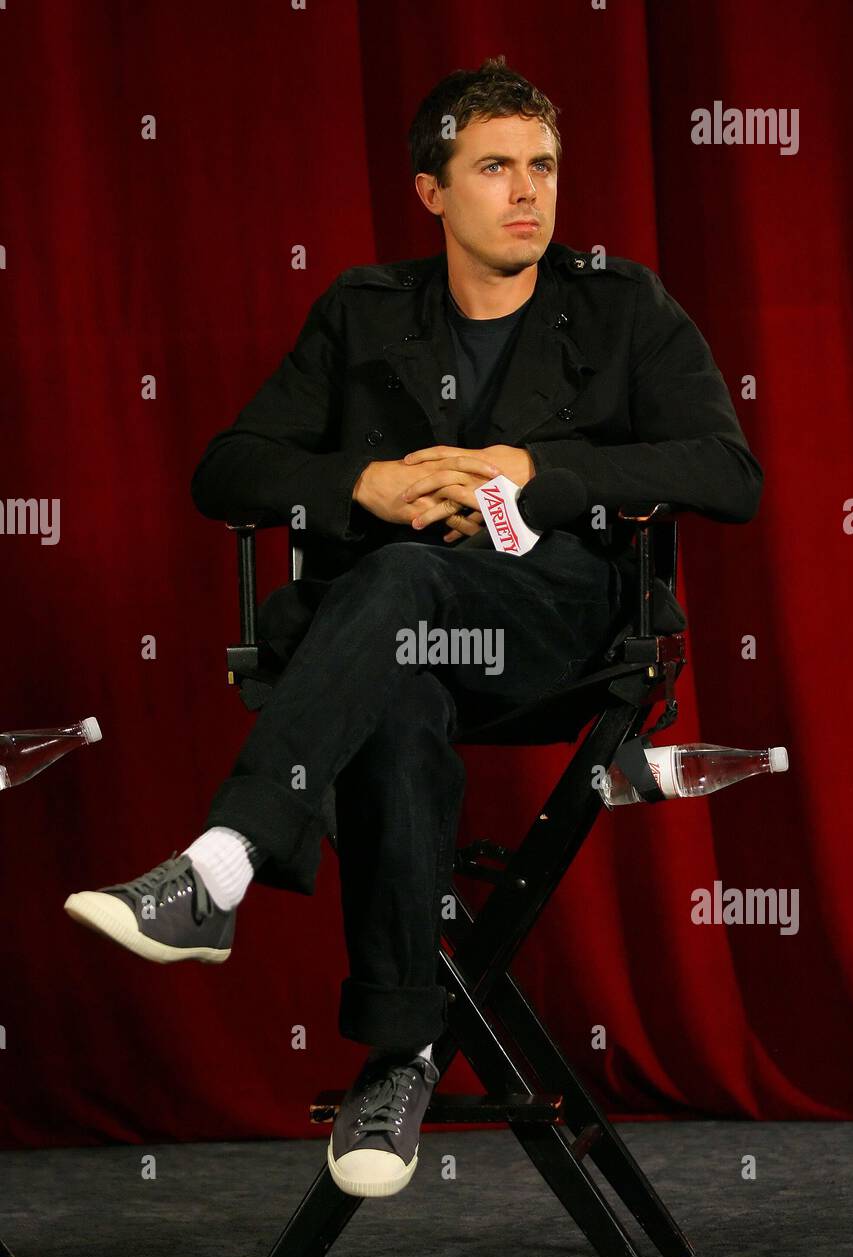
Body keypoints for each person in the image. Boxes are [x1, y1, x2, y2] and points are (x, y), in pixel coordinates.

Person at [64, 56, 763, 1199]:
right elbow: (227, 468)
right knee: (392, 658)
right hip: (389, 641)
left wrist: (539, 474)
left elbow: (728, 473)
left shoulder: (621, 302)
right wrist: (369, 484)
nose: (529, 191)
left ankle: (225, 862)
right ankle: (402, 1060)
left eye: (542, 166)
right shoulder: (362, 309)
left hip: (558, 628)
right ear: (433, 193)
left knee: (393, 596)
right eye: (495, 168)